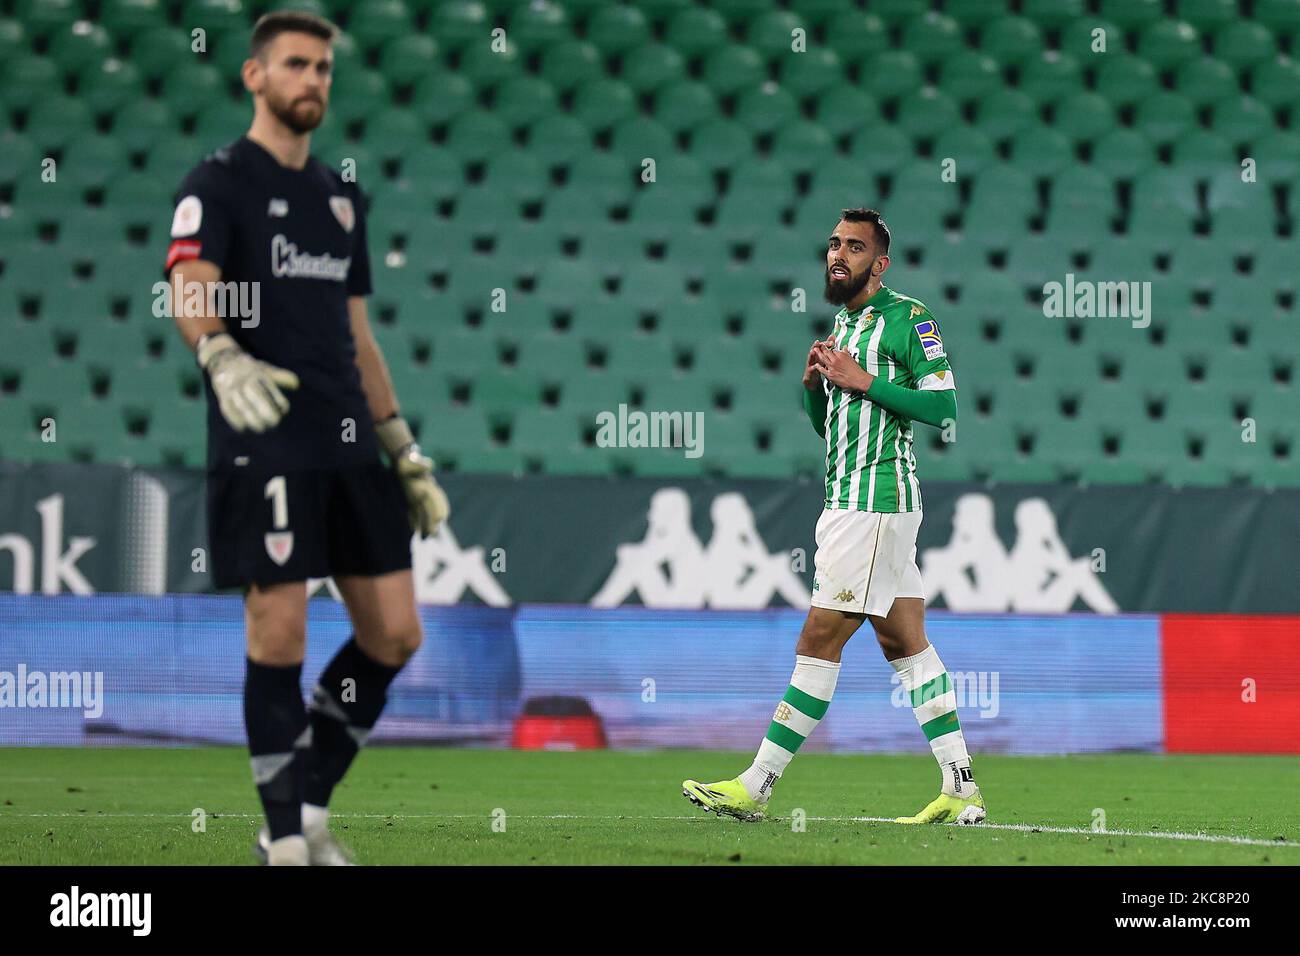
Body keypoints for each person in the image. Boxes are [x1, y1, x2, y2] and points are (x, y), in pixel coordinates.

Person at [164, 11, 449, 864]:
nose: (313, 80)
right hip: (266, 442)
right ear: (254, 76)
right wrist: (219, 353)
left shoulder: (339, 196)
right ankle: (286, 843)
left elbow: (358, 336)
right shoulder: (217, 184)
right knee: (277, 636)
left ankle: (308, 809)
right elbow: (188, 282)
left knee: (395, 635)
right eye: (295, 64)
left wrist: (401, 448)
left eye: (323, 67)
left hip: (350, 441)